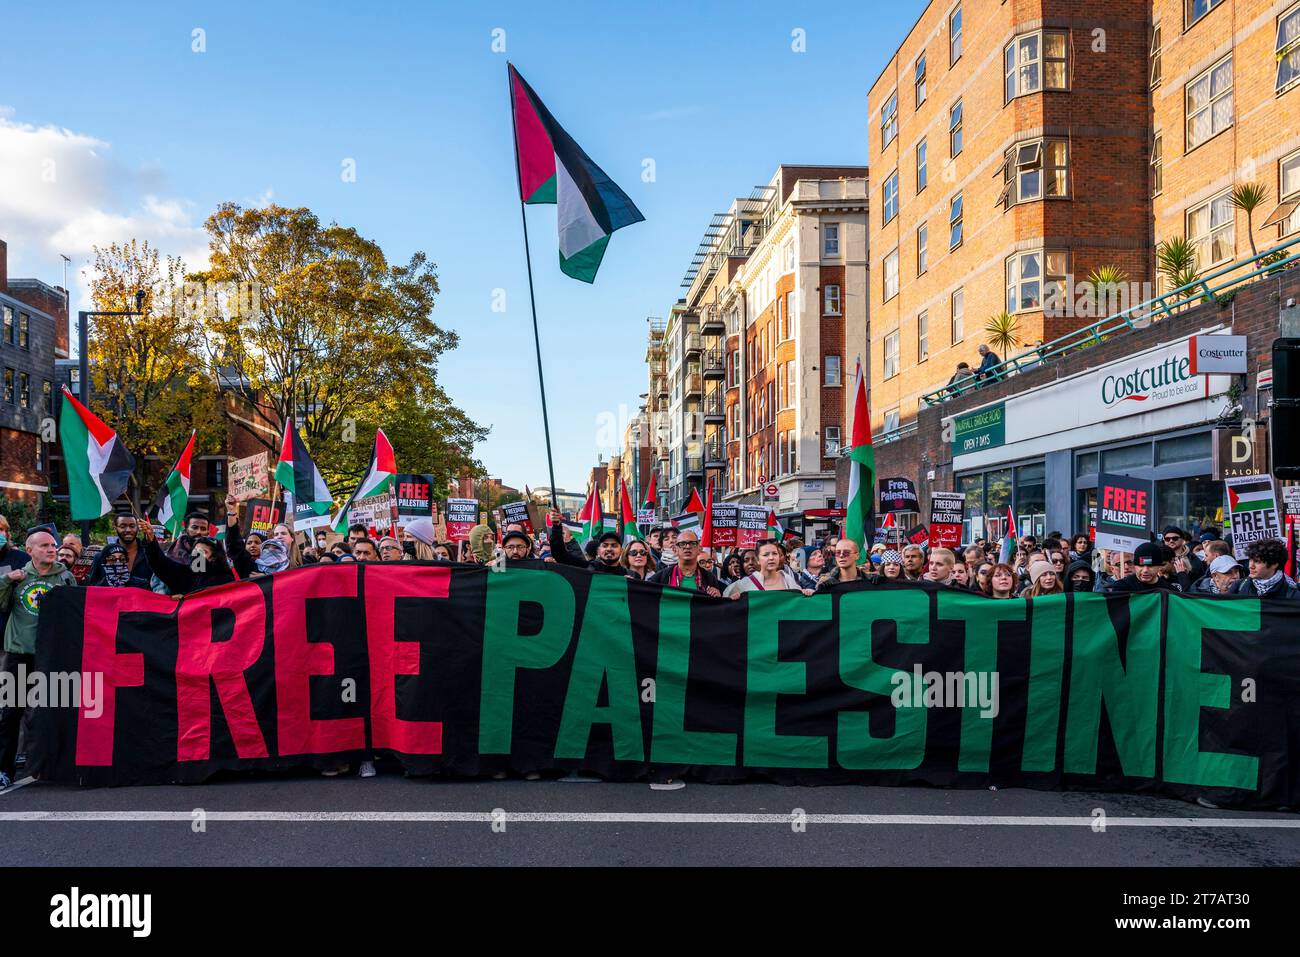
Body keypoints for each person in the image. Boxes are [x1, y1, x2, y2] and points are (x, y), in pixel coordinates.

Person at [0, 530, 78, 788]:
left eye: (53, 545)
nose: (51, 549)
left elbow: (75, 614)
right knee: (10, 714)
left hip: (53, 656)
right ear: (29, 549)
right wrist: (6, 581)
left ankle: (54, 766)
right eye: (44, 545)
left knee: (55, 711)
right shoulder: (17, 577)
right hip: (19, 654)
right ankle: (4, 770)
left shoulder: (65, 577)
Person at [726, 540, 812, 597]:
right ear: (758, 559)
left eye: (775, 553)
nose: (771, 558)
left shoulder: (787, 580)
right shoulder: (744, 584)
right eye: (766, 555)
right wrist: (732, 600)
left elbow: (799, 601)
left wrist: (808, 593)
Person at [648, 530, 722, 595]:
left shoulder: (710, 578)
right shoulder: (660, 578)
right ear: (675, 550)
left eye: (692, 543)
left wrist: (717, 596)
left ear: (699, 549)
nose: (687, 547)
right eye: (682, 544)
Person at [1230, 539, 1300, 599]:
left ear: (1274, 564)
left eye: (1257, 561)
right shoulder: (1239, 586)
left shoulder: (1292, 594)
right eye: (1250, 560)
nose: (1251, 566)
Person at [1105, 542, 1181, 593]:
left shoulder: (1170, 591)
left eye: (1150, 566)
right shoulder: (1122, 587)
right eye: (1141, 565)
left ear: (1159, 566)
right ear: (1135, 565)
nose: (1145, 570)